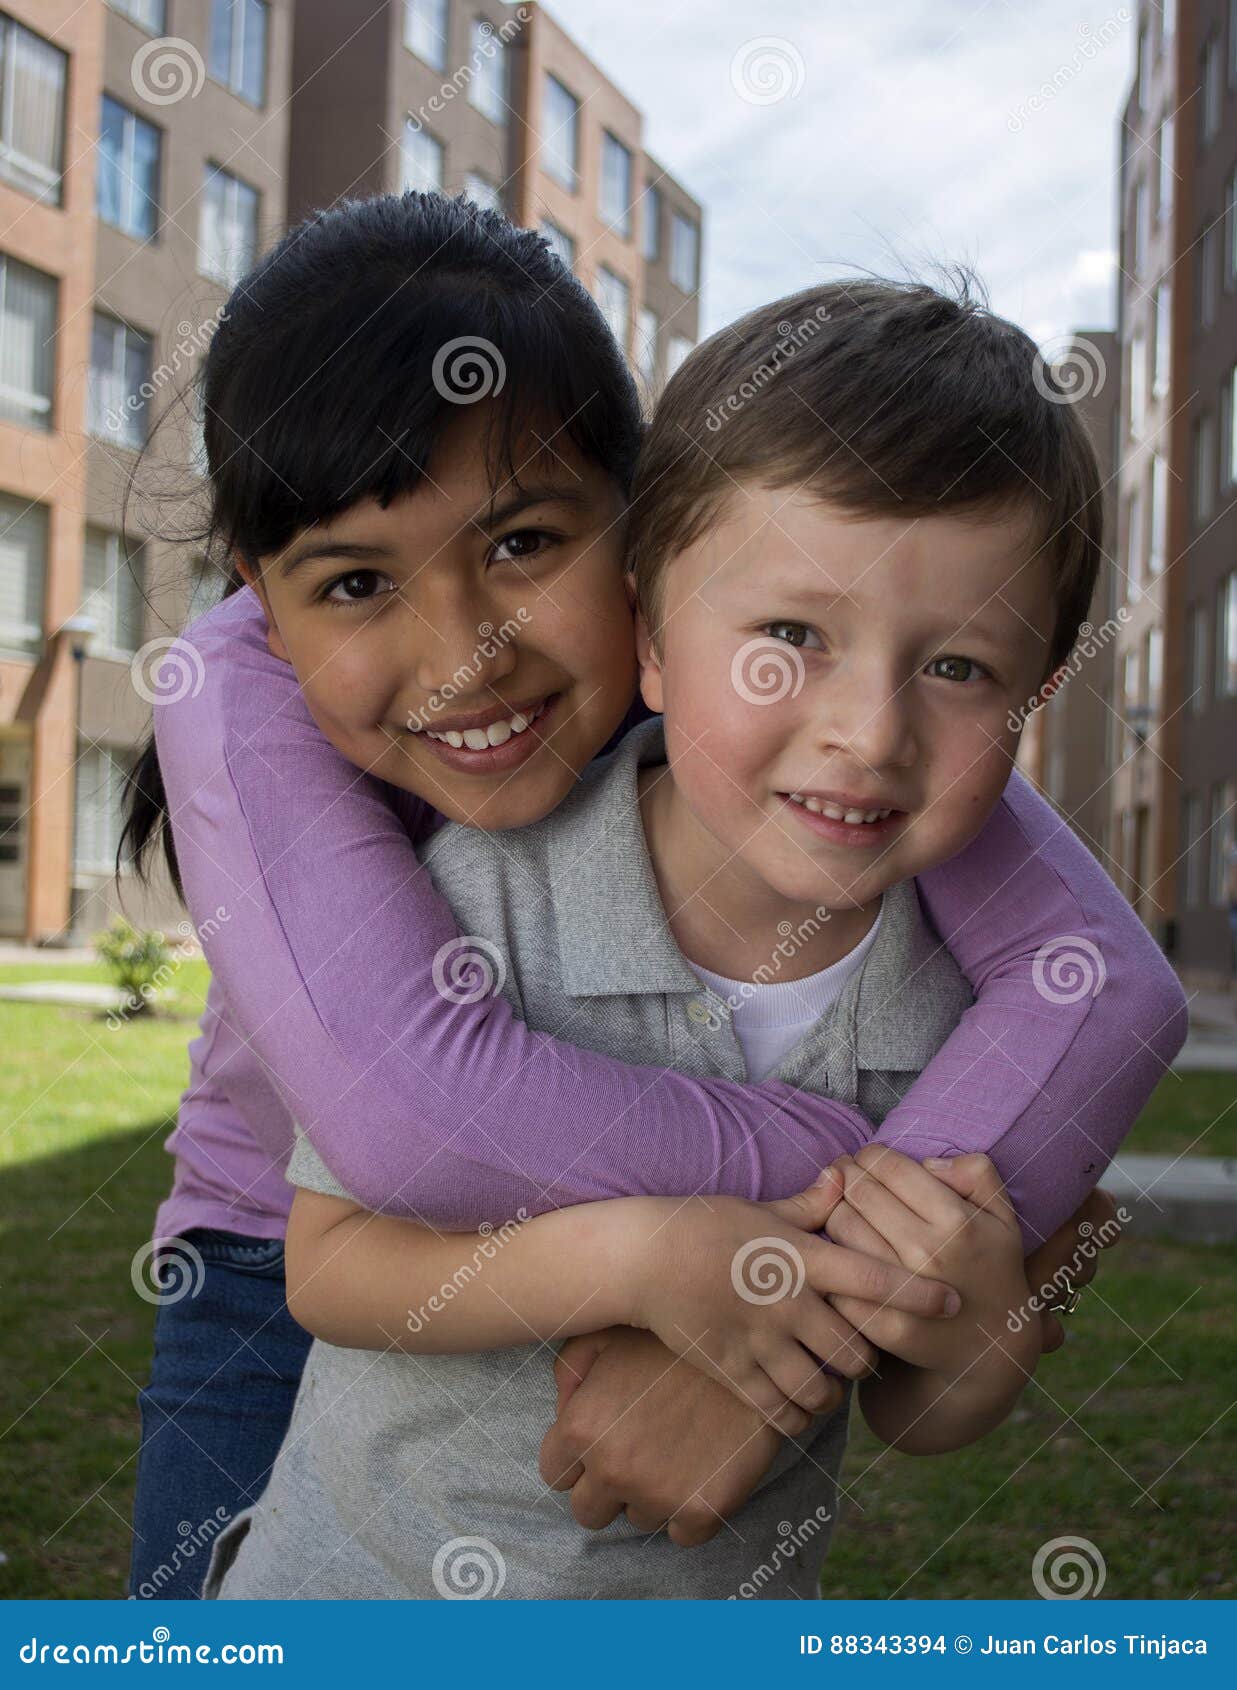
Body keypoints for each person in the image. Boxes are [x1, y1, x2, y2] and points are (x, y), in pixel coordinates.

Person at [124, 195, 1185, 1596]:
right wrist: (831, 1202)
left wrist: (962, 1304)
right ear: (262, 598)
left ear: (636, 539)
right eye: (358, 581)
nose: (465, 659)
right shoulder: (248, 702)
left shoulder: (833, 741)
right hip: (270, 1255)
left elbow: (1094, 980)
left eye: (521, 546)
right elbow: (405, 1118)